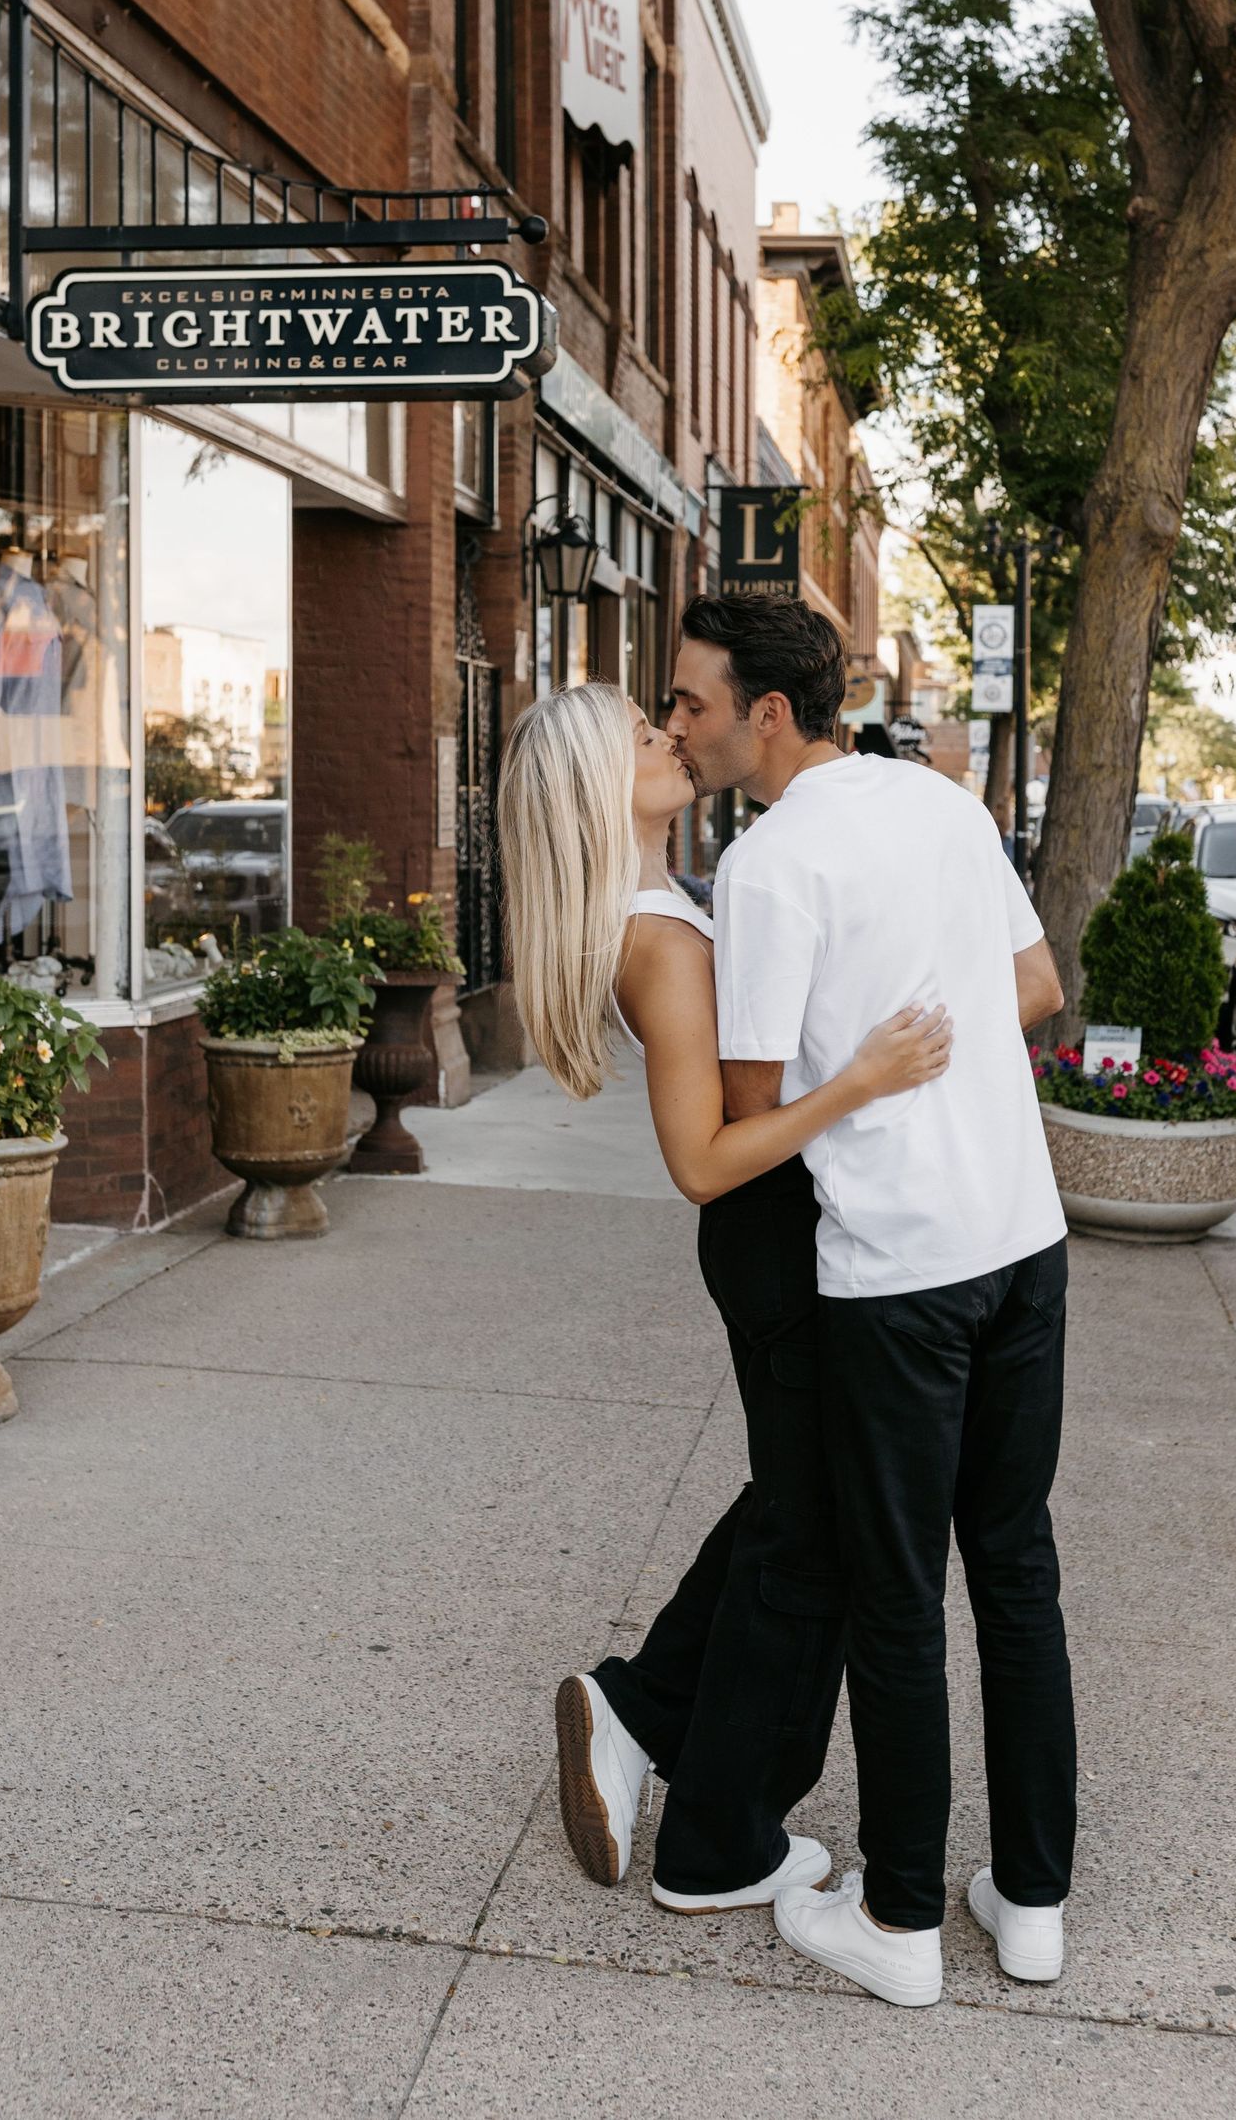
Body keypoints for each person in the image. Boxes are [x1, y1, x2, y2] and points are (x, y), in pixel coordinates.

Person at [665, 591, 1072, 2009]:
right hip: (1025, 1237)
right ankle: (1031, 1905)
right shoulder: (941, 801)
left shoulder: (771, 868)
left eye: (696, 703)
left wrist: (870, 1079)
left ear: (767, 713)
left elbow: (746, 1115)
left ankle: (902, 1924)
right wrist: (932, 1038)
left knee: (899, 1599)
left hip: (897, 1272)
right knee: (1015, 1570)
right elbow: (1033, 981)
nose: (683, 726)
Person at [495, 679, 951, 1916]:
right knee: (816, 1541)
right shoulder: (659, 934)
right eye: (645, 737)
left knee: (799, 1515)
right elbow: (702, 1160)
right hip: (767, 1235)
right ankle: (723, 1834)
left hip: (775, 1238)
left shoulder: (658, 910)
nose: (672, 739)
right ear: (602, 785)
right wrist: (860, 1079)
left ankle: (641, 1714)